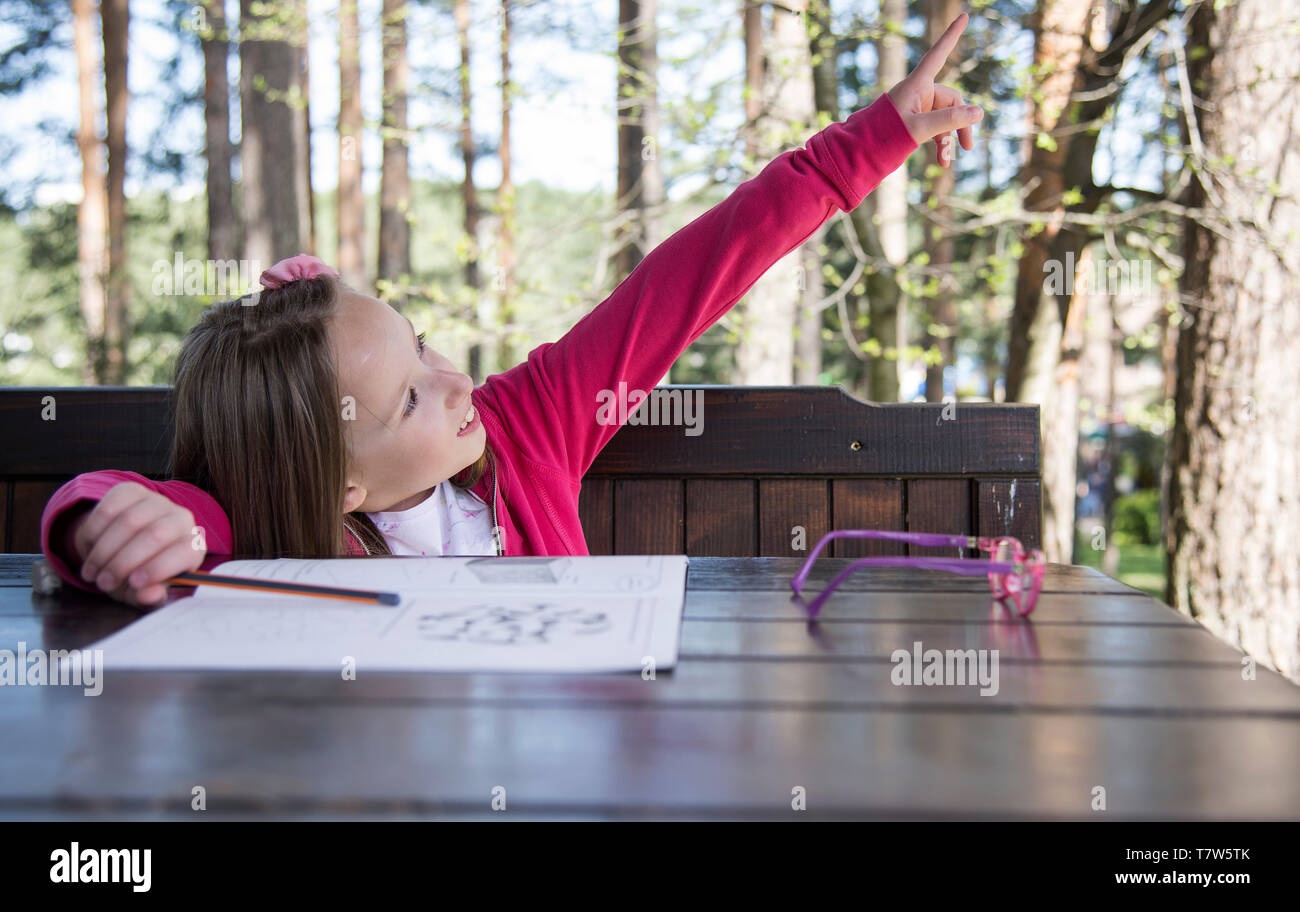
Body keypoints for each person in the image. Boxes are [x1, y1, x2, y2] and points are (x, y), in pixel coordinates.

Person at [40, 13, 983, 609]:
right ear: (341, 490)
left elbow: (694, 275)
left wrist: (871, 141)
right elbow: (146, 513)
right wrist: (103, 532)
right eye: (410, 397)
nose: (457, 385)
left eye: (426, 351)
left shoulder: (531, 427)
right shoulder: (274, 530)